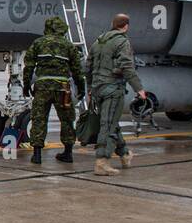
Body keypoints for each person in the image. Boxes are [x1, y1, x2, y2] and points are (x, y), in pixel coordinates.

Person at [85, 13, 147, 176]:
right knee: (108, 126)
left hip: (98, 89)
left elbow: (88, 66)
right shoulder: (122, 41)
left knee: (110, 123)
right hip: (112, 89)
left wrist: (90, 88)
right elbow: (127, 66)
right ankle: (102, 162)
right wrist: (139, 89)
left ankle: (125, 154)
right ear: (126, 26)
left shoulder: (99, 41)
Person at [23, 16, 84, 164]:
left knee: (39, 119)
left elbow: (29, 65)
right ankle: (68, 153)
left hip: (42, 87)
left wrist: (26, 85)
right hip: (62, 88)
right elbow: (77, 69)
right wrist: (81, 87)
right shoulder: (68, 45)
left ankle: (37, 155)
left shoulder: (38, 43)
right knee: (67, 119)